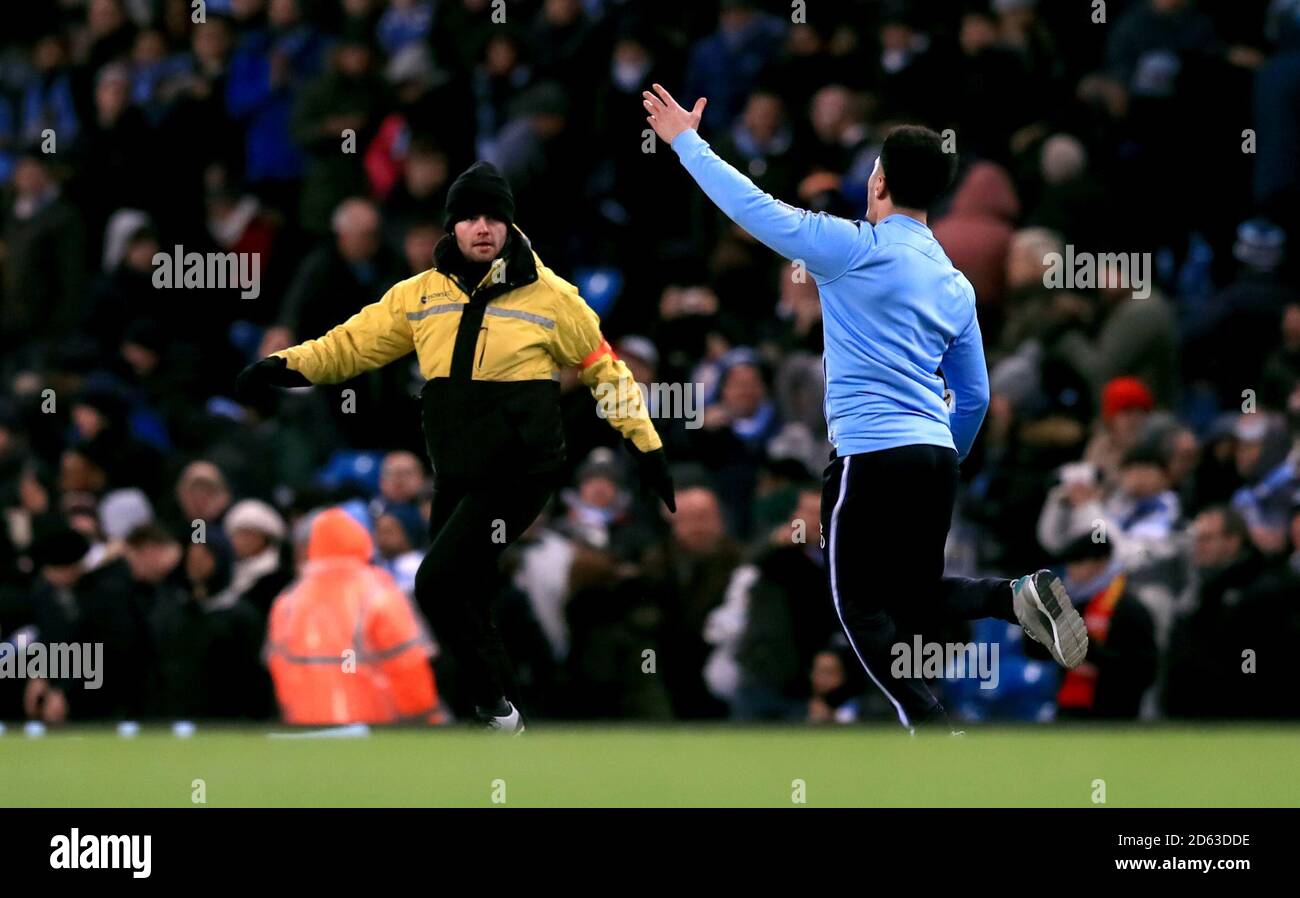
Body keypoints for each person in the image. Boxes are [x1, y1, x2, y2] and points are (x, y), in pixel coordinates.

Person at [643, 85, 1087, 730]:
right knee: (912, 597)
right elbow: (978, 395)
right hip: (933, 452)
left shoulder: (853, 248)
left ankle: (930, 730)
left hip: (871, 452)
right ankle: (1014, 595)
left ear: (878, 180)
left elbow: (752, 207)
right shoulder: (954, 282)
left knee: (855, 604)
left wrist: (686, 140)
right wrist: (945, 455)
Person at [236, 160, 674, 732]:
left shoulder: (553, 296)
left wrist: (646, 447)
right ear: (453, 227)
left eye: (494, 217)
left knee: (435, 580)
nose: (482, 228)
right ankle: (505, 723)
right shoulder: (419, 295)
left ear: (510, 227)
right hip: (457, 469)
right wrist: (282, 365)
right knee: (463, 593)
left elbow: (605, 371)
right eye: (470, 218)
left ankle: (495, 710)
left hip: (523, 467)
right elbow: (352, 345)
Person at [265, 508, 441, 726]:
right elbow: (407, 665)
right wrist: (427, 719)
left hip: (307, 731)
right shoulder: (379, 593)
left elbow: (280, 670)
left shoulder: (287, 601)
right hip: (377, 732)